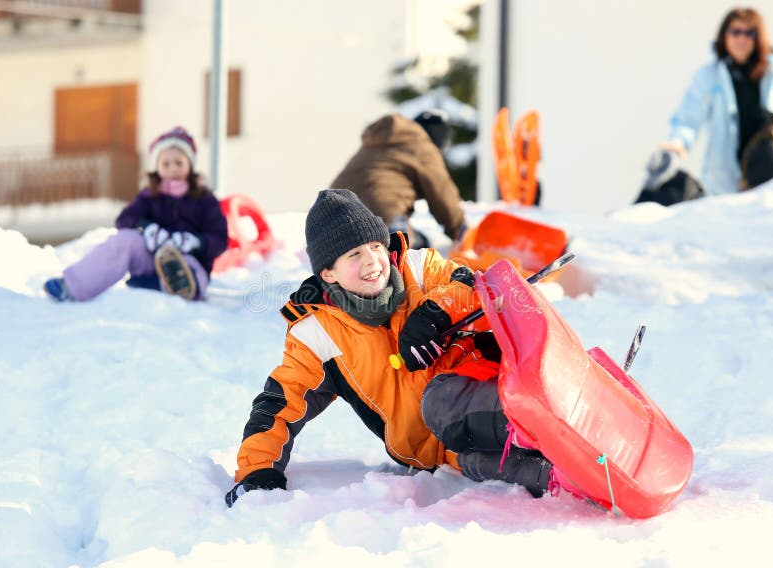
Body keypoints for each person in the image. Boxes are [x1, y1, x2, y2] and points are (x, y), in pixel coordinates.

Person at [225, 189, 568, 507]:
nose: (373, 260)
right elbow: (279, 405)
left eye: (375, 246)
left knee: (440, 400)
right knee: (539, 474)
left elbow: (483, 288)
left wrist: (437, 311)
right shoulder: (318, 334)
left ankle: (564, 420)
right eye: (355, 254)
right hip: (447, 454)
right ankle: (580, 477)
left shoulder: (420, 270)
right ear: (328, 273)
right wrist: (257, 472)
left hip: (487, 391)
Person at [43, 126, 228, 302]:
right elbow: (124, 219)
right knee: (125, 240)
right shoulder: (150, 195)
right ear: (157, 167)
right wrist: (147, 229)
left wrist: (194, 242)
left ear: (190, 165)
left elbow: (219, 238)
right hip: (151, 258)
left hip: (190, 260)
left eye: (179, 163)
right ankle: (73, 286)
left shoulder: (204, 199)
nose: (173, 168)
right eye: (166, 163)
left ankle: (174, 285)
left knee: (184, 268)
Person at [662, 7, 773, 196]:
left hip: (770, 176)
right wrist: (676, 145)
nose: (742, 39)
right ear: (724, 35)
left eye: (749, 33)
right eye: (735, 32)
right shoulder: (710, 76)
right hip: (725, 181)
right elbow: (688, 120)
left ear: (758, 38)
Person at [330, 110, 467, 249]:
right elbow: (442, 192)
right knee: (419, 249)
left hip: (333, 218)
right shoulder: (422, 146)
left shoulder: (375, 142)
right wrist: (460, 231)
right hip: (382, 218)